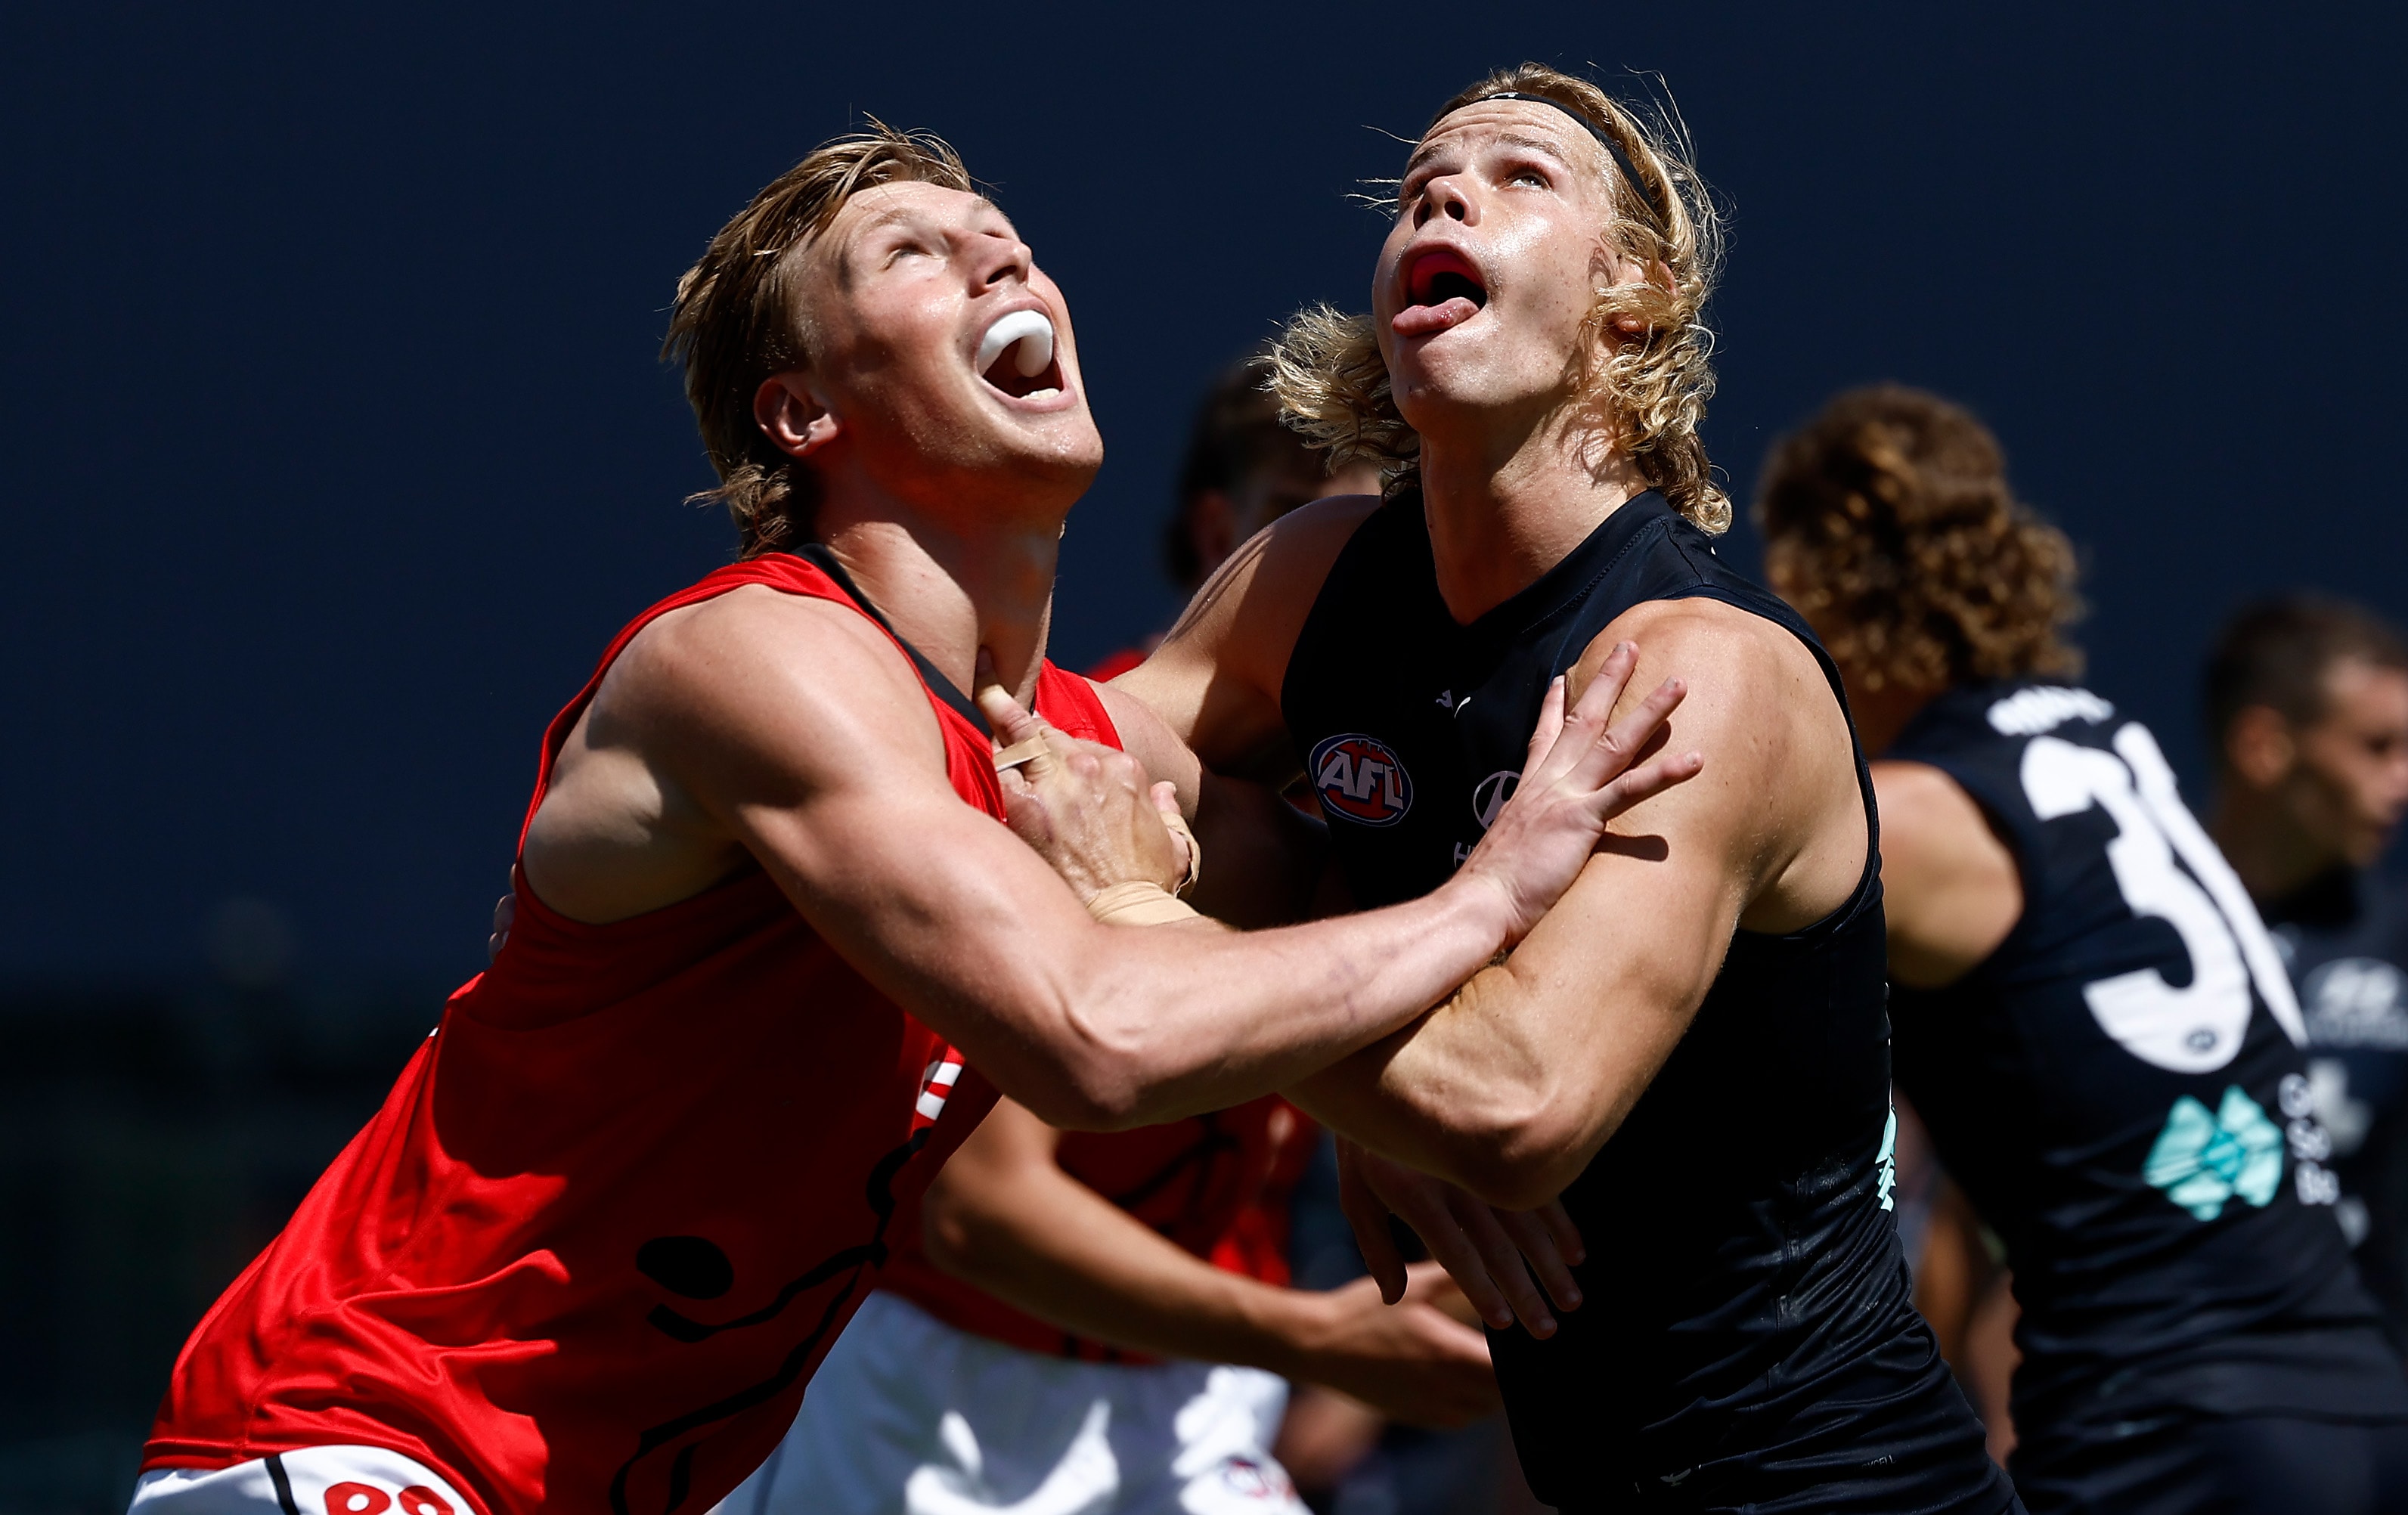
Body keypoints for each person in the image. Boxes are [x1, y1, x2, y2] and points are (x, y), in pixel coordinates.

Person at [127, 123, 1698, 1515]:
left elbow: (1320, 848)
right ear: (802, 413)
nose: (996, 249)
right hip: (365, 1440)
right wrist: (1480, 907)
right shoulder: (759, 660)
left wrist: (1377, 1115)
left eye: (1000, 235)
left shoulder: (1062, 741)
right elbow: (1096, 1038)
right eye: (913, 252)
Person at [1111, 64, 2015, 1511]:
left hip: (1836, 1485)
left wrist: (1164, 961)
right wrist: (1357, 1045)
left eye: (1521, 176)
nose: (1445, 194)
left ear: (1634, 301)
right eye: (1418, 187)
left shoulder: (1696, 671)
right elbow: (1078, 755)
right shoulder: (1318, 577)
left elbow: (1515, 1102)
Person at [711, 354, 1471, 1515]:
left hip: (1196, 1406)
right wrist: (1314, 1340)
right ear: (1227, 534)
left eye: (1380, 545)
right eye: (1301, 523)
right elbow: (981, 1212)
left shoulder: (1383, 797)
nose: (1342, 584)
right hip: (935, 1400)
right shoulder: (1069, 777)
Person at [1754, 383, 2408, 1511]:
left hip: (2176, 1422)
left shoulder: (1906, 819)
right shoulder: (2108, 742)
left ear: (1816, 593)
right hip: (2350, 1400)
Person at [2207, 596, 2408, 1343]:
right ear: (2263, 747)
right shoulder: (2129, 937)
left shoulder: (2396, 945)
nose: (2401, 781)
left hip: (2371, 1410)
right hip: (2172, 1409)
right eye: (2374, 747)